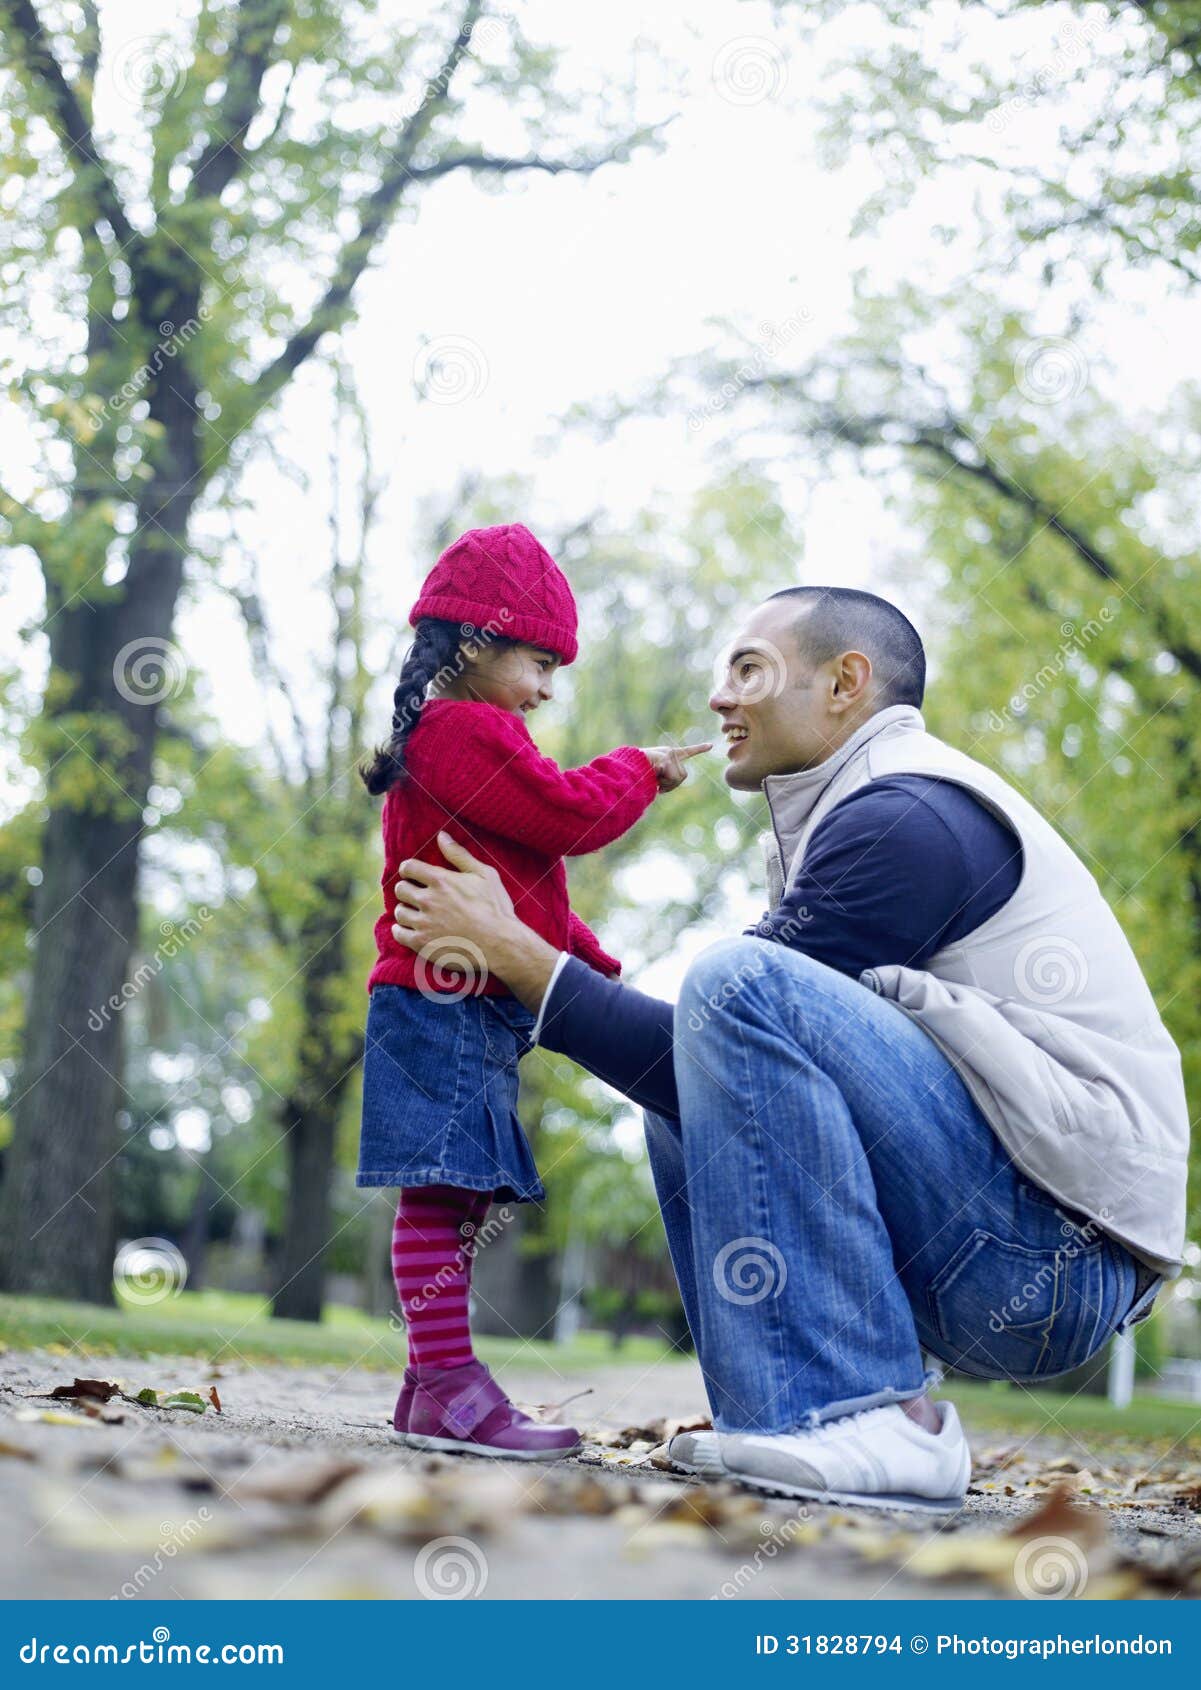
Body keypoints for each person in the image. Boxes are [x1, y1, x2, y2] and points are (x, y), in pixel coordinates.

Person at [391, 585, 1186, 1512]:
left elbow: (730, 1012)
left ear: (845, 682)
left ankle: (876, 1419)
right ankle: (787, 1417)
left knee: (732, 987)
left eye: (747, 669)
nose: (720, 697)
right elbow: (717, 1070)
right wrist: (541, 964)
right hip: (989, 1234)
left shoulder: (907, 818)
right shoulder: (851, 814)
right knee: (696, 1072)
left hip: (1052, 1260)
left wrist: (526, 962)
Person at [357, 522, 708, 1462]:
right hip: (440, 1006)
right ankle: (448, 1388)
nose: (548, 690)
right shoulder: (470, 731)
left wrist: (585, 965)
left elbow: (520, 889)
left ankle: (426, 1386)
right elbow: (569, 816)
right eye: (540, 662)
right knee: (439, 1199)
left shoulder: (454, 736)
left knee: (459, 1198)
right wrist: (638, 768)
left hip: (463, 1006)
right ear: (473, 643)